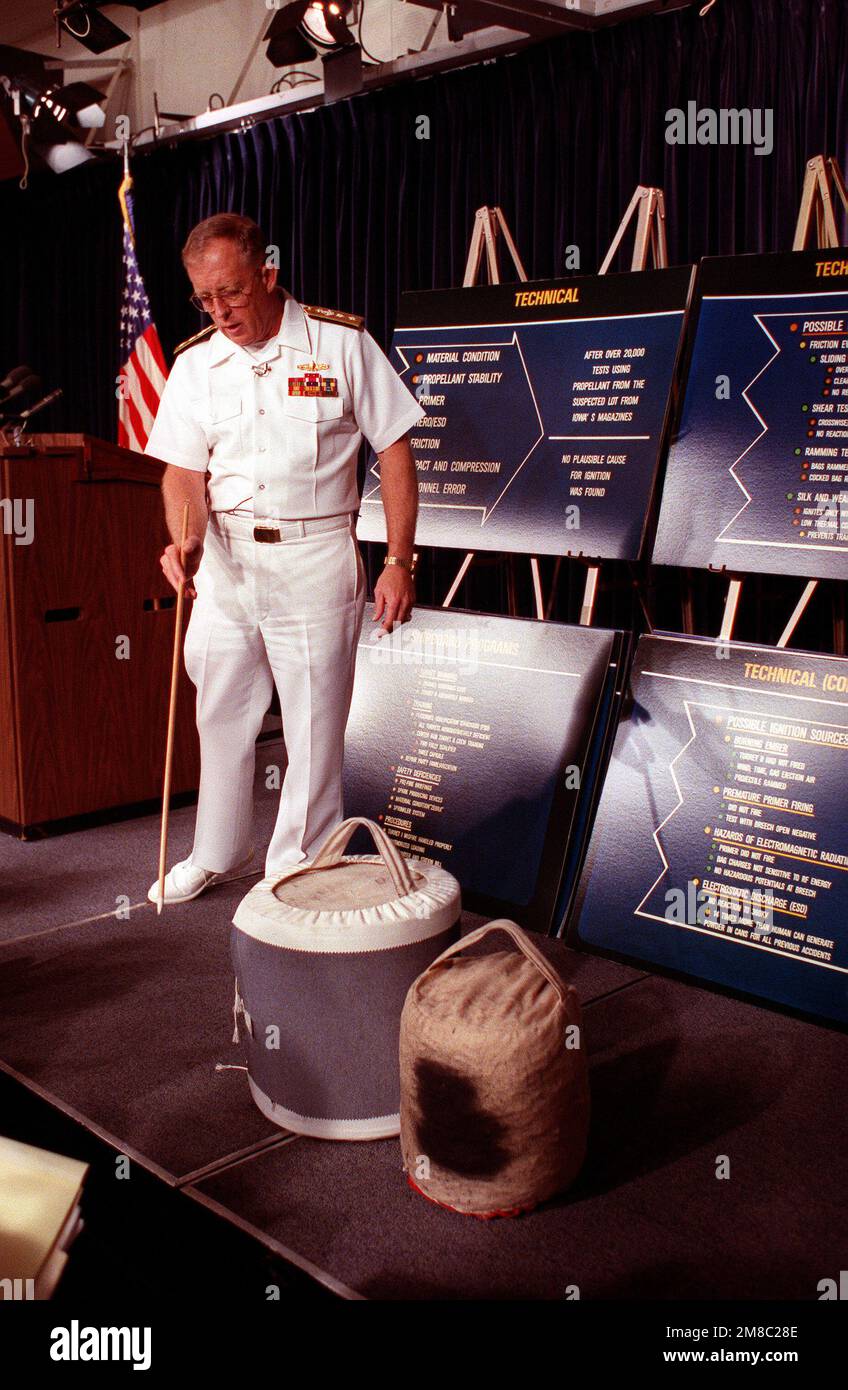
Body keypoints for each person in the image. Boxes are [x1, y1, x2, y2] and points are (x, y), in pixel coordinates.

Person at [144, 212, 423, 903]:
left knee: (314, 722)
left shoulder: (340, 343)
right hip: (227, 562)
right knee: (221, 712)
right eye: (204, 299)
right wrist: (188, 539)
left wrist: (399, 560)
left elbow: (394, 451)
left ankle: (296, 866)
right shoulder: (195, 364)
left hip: (315, 553)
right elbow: (182, 473)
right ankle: (217, 849)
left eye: (233, 293)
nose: (221, 311)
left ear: (268, 273)